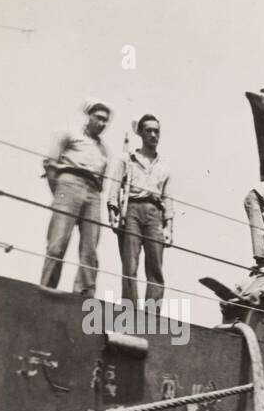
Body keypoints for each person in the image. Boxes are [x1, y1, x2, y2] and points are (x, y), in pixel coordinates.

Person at [40, 102, 111, 293]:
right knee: (57, 243)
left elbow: (102, 179)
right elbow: (50, 164)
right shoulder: (71, 135)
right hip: (70, 183)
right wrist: (60, 193)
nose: (102, 123)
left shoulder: (103, 150)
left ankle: (84, 296)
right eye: (99, 118)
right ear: (89, 117)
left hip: (93, 192)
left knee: (90, 249)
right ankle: (46, 290)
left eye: (106, 120)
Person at [108, 114, 173, 305]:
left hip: (155, 213)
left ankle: (152, 315)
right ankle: (130, 309)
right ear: (141, 134)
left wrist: (169, 226)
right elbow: (114, 187)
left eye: (156, 131)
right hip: (132, 210)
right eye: (148, 131)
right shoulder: (127, 159)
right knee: (130, 264)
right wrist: (112, 212)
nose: (153, 135)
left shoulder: (164, 167)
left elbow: (168, 199)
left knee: (155, 267)